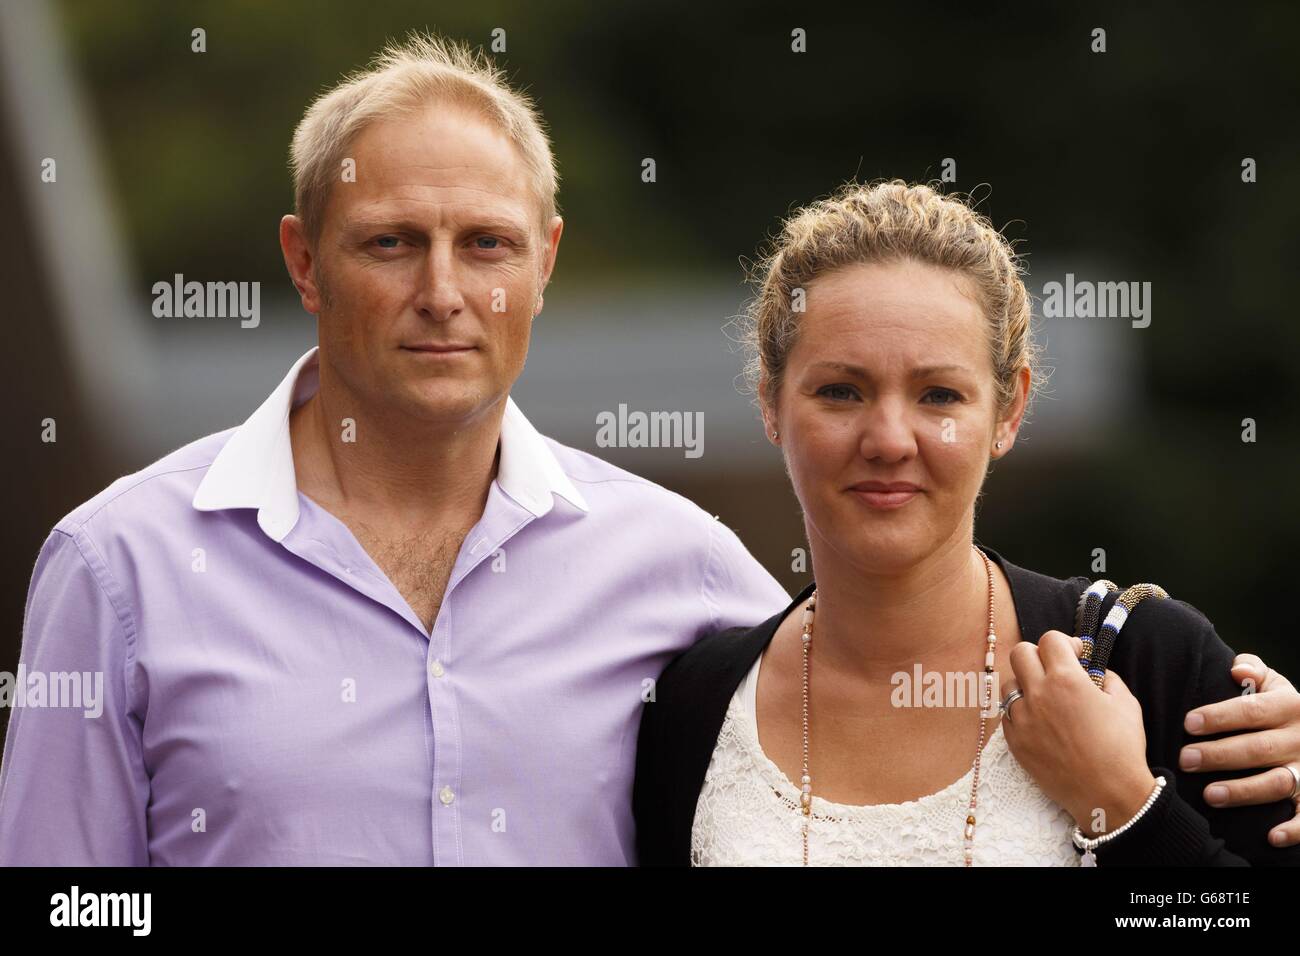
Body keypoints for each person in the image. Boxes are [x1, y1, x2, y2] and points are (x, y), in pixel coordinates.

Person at [1, 36, 1298, 866]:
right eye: (391, 241)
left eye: (488, 244)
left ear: (546, 263)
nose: (443, 291)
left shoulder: (683, 582)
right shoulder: (120, 569)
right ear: (303, 262)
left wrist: (1229, 763)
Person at [633, 180, 1300, 866]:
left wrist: (1126, 806)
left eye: (939, 395)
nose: (889, 439)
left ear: (1008, 411)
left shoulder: (1148, 662)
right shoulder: (691, 704)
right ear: (770, 403)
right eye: (840, 391)